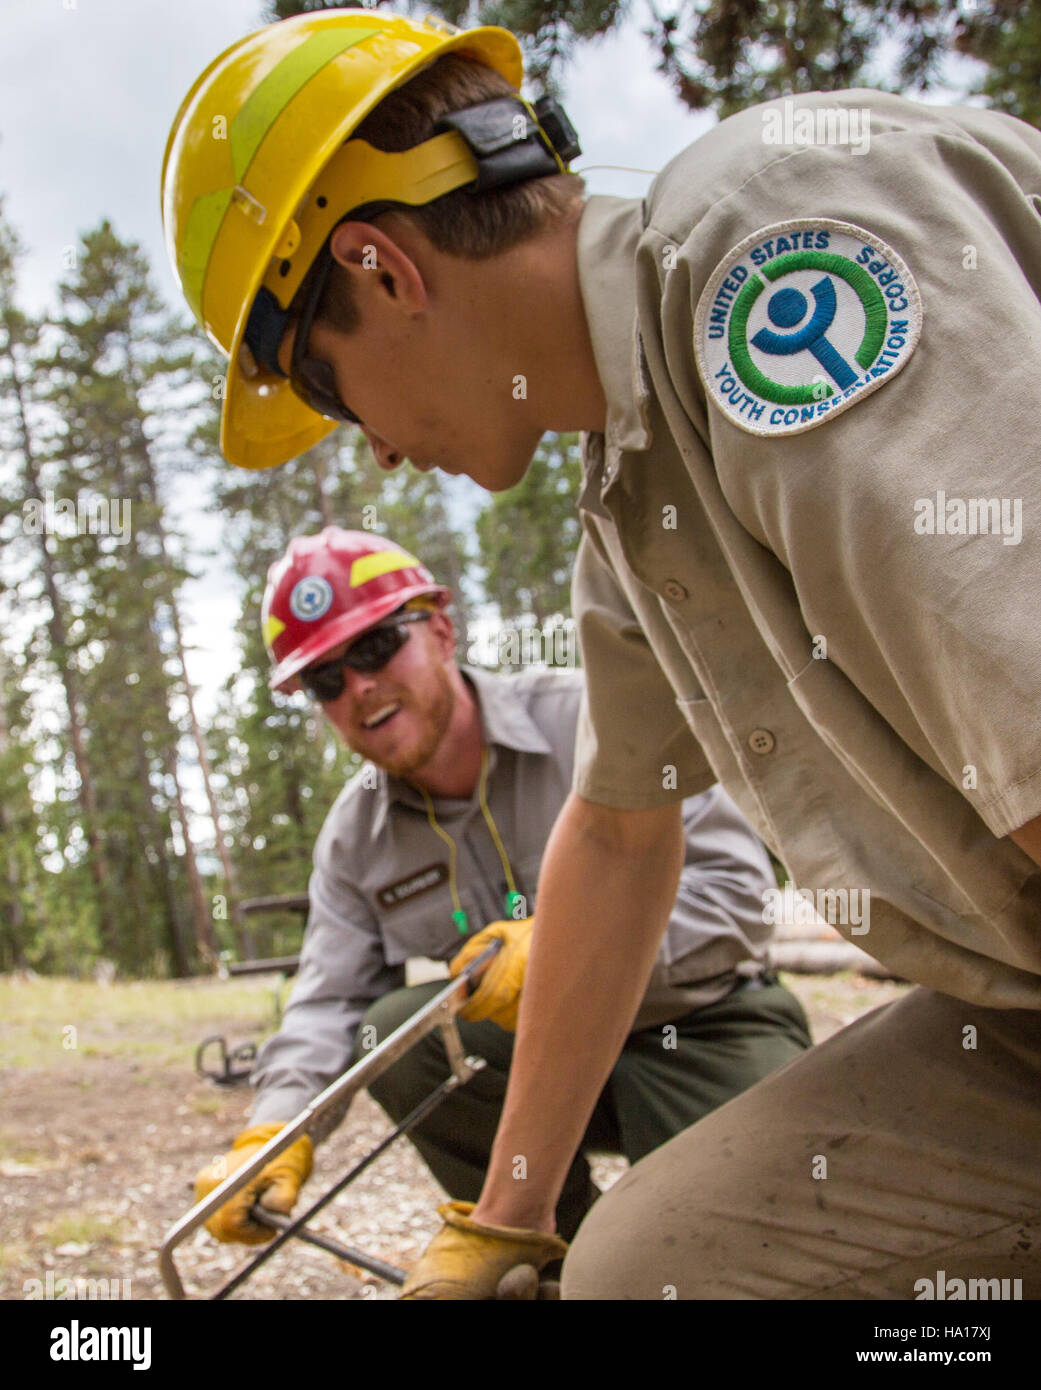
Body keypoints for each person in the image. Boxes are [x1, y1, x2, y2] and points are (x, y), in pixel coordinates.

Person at [165, 10, 1041, 1299]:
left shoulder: (767, 246)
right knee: (640, 1270)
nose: (381, 451)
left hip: (770, 1022)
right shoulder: (637, 507)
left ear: (382, 270)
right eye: (323, 680)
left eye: (337, 392)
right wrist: (509, 1220)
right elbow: (623, 833)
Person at [194, 527, 810, 1258]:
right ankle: (549, 1255)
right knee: (398, 1028)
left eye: (374, 648)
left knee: (745, 1256)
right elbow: (330, 1002)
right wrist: (275, 1132)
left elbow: (737, 896)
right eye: (326, 680)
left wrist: (565, 953)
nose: (358, 686)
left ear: (442, 632)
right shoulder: (353, 839)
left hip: (698, 1030)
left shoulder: (593, 721)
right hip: (531, 1073)